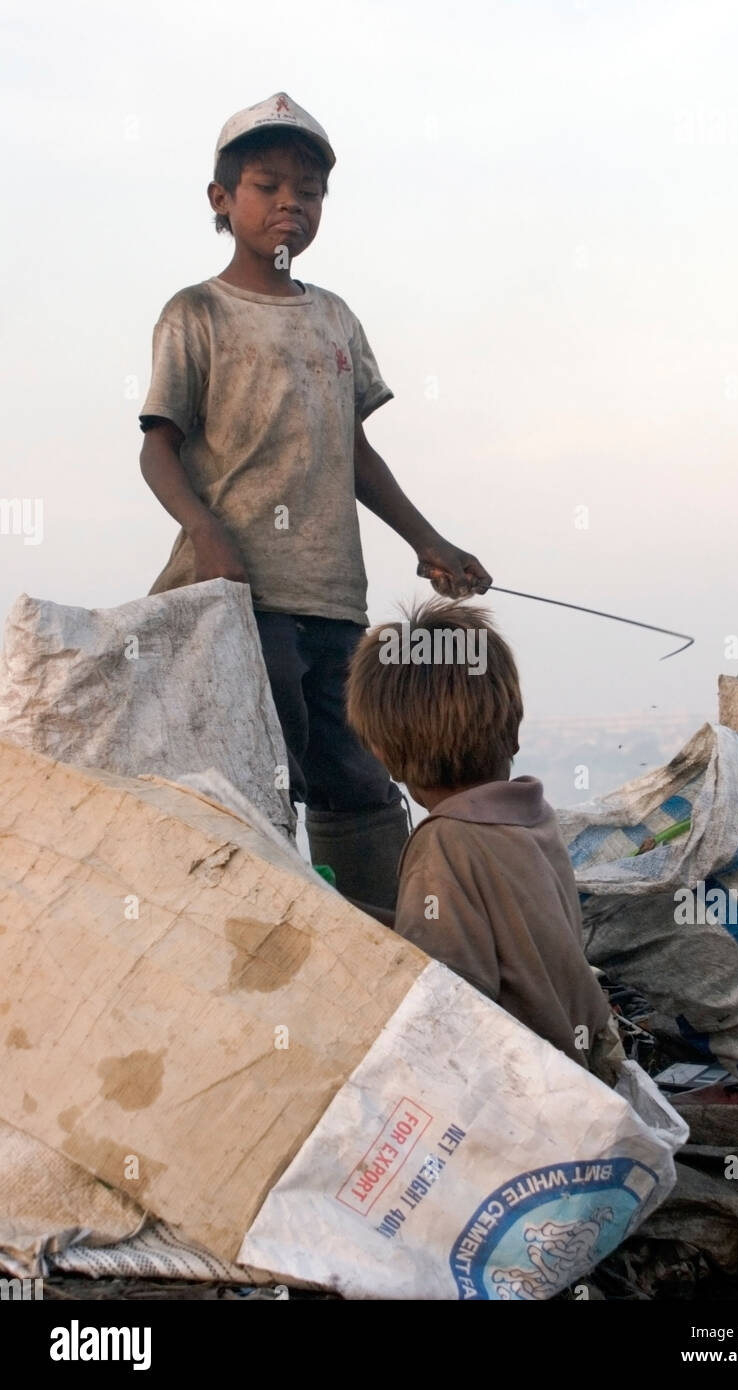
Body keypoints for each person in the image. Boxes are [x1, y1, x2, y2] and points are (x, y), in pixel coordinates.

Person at [138, 92, 490, 910]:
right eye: (267, 186)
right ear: (222, 200)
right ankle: (266, 941)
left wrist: (426, 539)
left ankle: (378, 944)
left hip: (334, 597)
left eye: (310, 191)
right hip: (237, 596)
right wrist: (206, 532)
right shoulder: (197, 313)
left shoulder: (334, 319)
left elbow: (353, 451)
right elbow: (158, 446)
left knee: (359, 779)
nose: (291, 203)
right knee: (264, 778)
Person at [345, 599, 623, 1079]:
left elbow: (446, 1009)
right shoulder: (530, 818)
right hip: (584, 1074)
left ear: (382, 752)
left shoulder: (445, 845)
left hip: (530, 1101)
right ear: (514, 729)